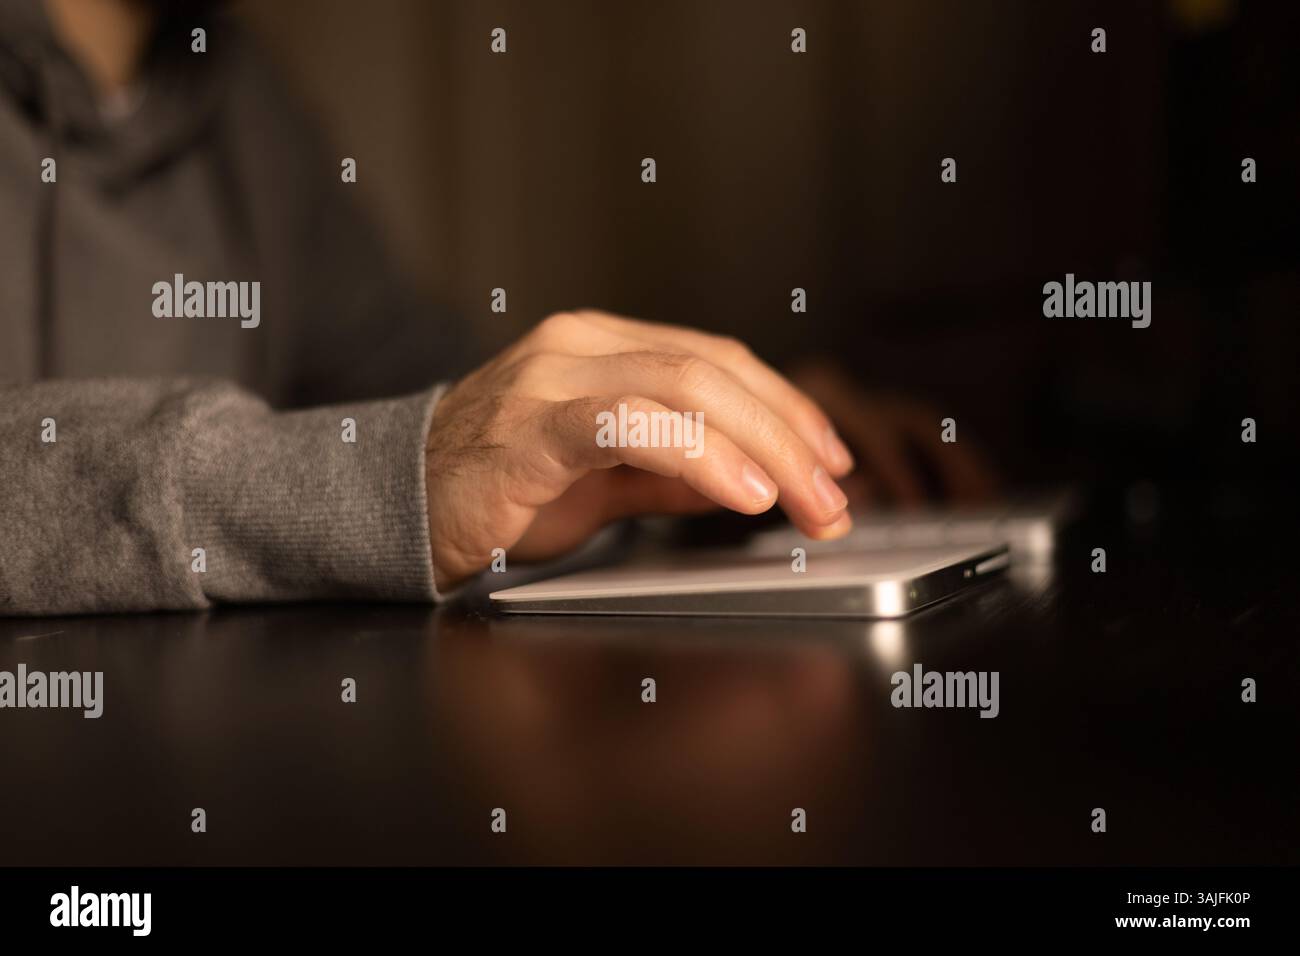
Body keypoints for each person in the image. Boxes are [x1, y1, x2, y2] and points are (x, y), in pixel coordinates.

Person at [0, 0, 992, 617]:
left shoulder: (231, 85)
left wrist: (704, 434)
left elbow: (436, 403)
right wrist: (389, 479)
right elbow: (404, 459)